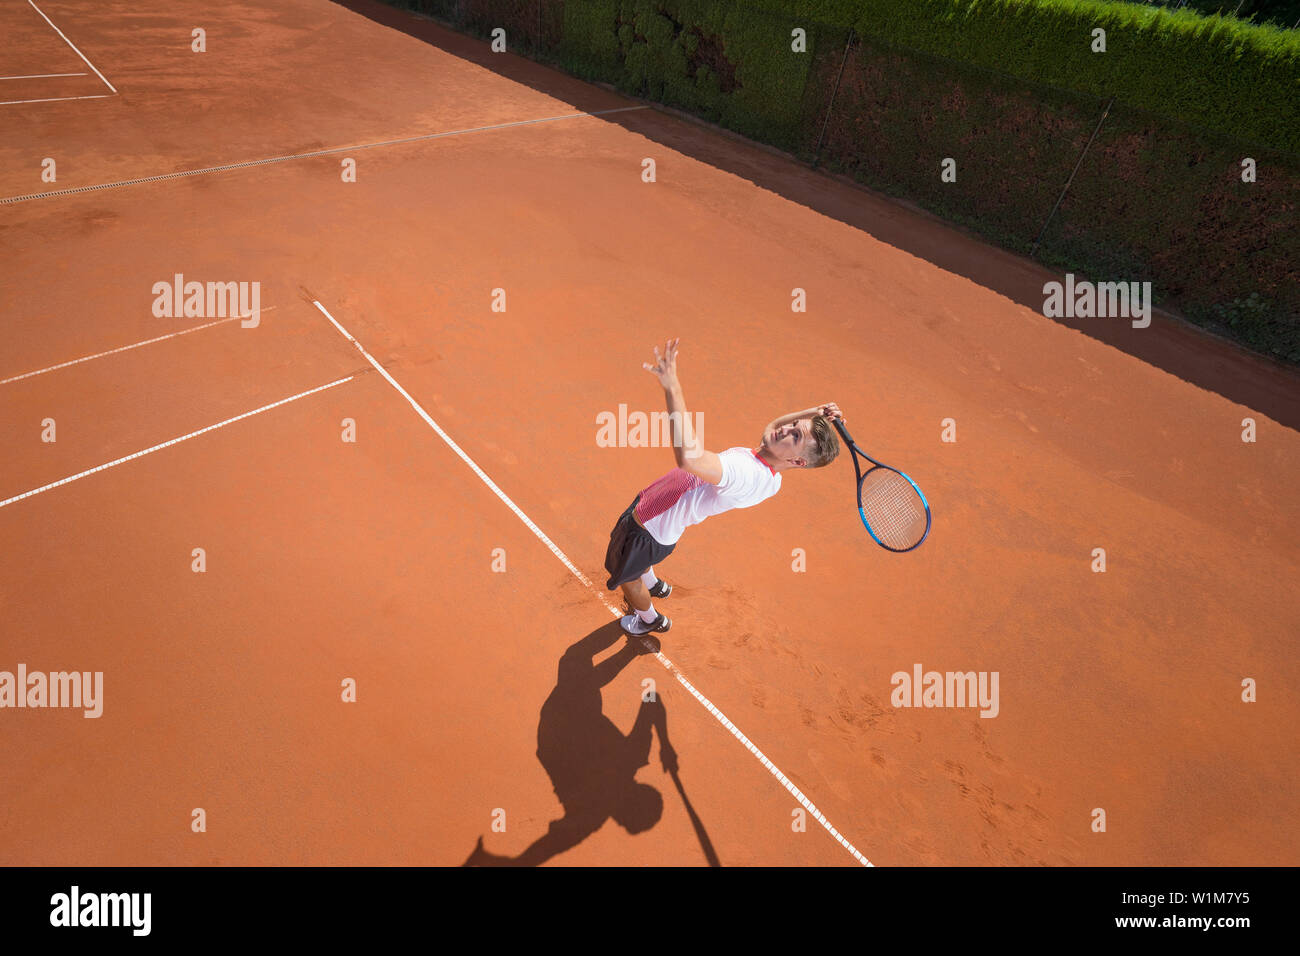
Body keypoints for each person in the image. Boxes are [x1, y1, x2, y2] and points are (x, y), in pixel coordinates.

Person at [604, 338, 843, 637]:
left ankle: (648, 619)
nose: (784, 428)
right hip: (662, 526)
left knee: (629, 579)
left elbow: (689, 458)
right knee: (644, 564)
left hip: (647, 526)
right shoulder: (772, 473)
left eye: (794, 435)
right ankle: (655, 582)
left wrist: (672, 387)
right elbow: (773, 426)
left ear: (798, 462)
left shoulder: (745, 472)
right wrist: (814, 412)